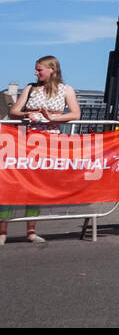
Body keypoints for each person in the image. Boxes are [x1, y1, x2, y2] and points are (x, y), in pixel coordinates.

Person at [1, 56, 79, 245]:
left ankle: (31, 230)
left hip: (48, 143)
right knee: (10, 184)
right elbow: (14, 111)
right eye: (36, 70)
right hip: (25, 139)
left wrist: (51, 117)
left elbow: (76, 113)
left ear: (51, 69)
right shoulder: (30, 88)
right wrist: (28, 114)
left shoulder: (66, 89)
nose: (36, 73)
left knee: (35, 188)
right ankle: (2, 231)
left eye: (39, 70)